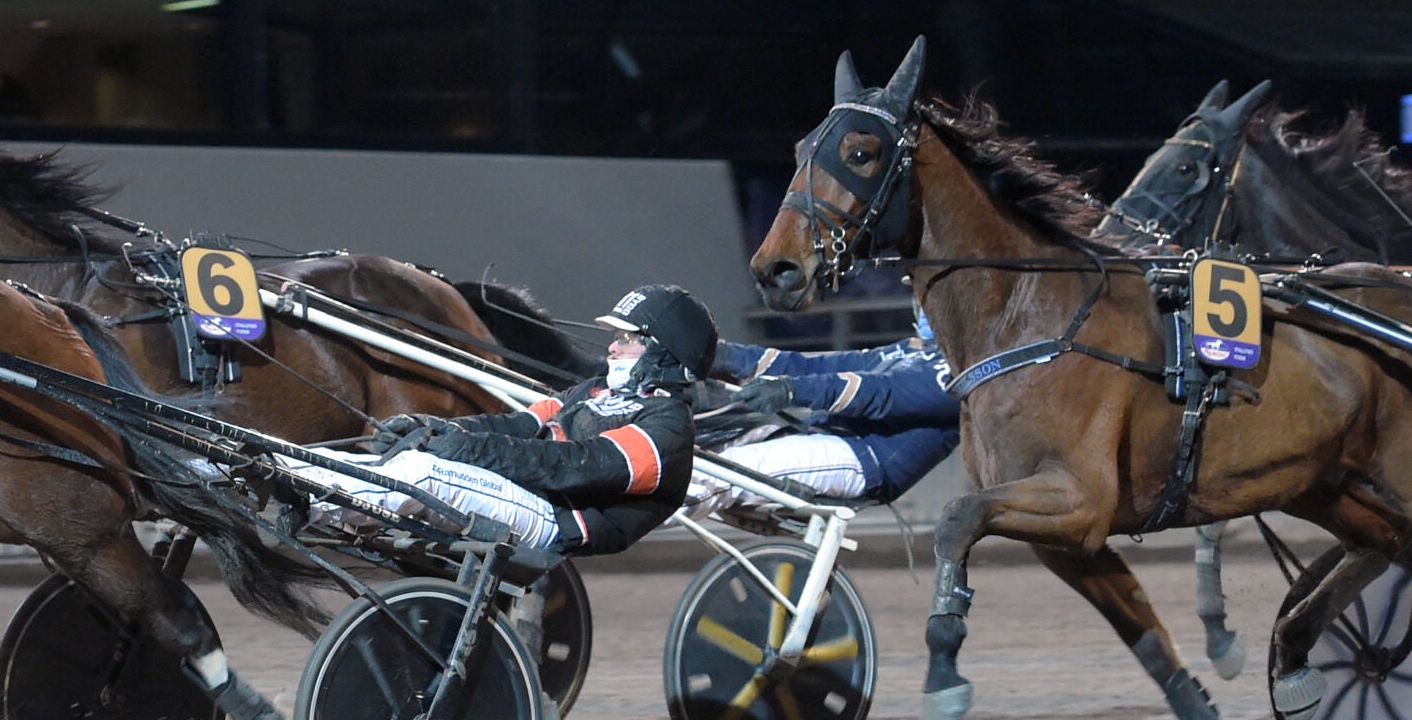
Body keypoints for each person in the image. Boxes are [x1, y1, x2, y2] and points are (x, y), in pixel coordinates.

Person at [310, 284, 707, 556]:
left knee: (423, 474)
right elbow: (517, 426)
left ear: (663, 351)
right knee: (378, 462)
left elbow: (575, 465)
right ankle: (281, 472)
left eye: (627, 338)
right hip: (525, 494)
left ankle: (310, 502)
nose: (613, 347)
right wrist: (437, 429)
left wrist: (469, 449)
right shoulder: (591, 390)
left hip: (559, 518)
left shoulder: (667, 428)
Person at [692, 305, 959, 512]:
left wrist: (792, 390)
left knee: (726, 471)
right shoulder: (910, 349)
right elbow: (817, 367)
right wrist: (725, 355)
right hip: (824, 436)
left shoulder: (959, 371)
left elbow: (880, 393)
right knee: (699, 452)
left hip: (865, 459)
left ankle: (654, 511)